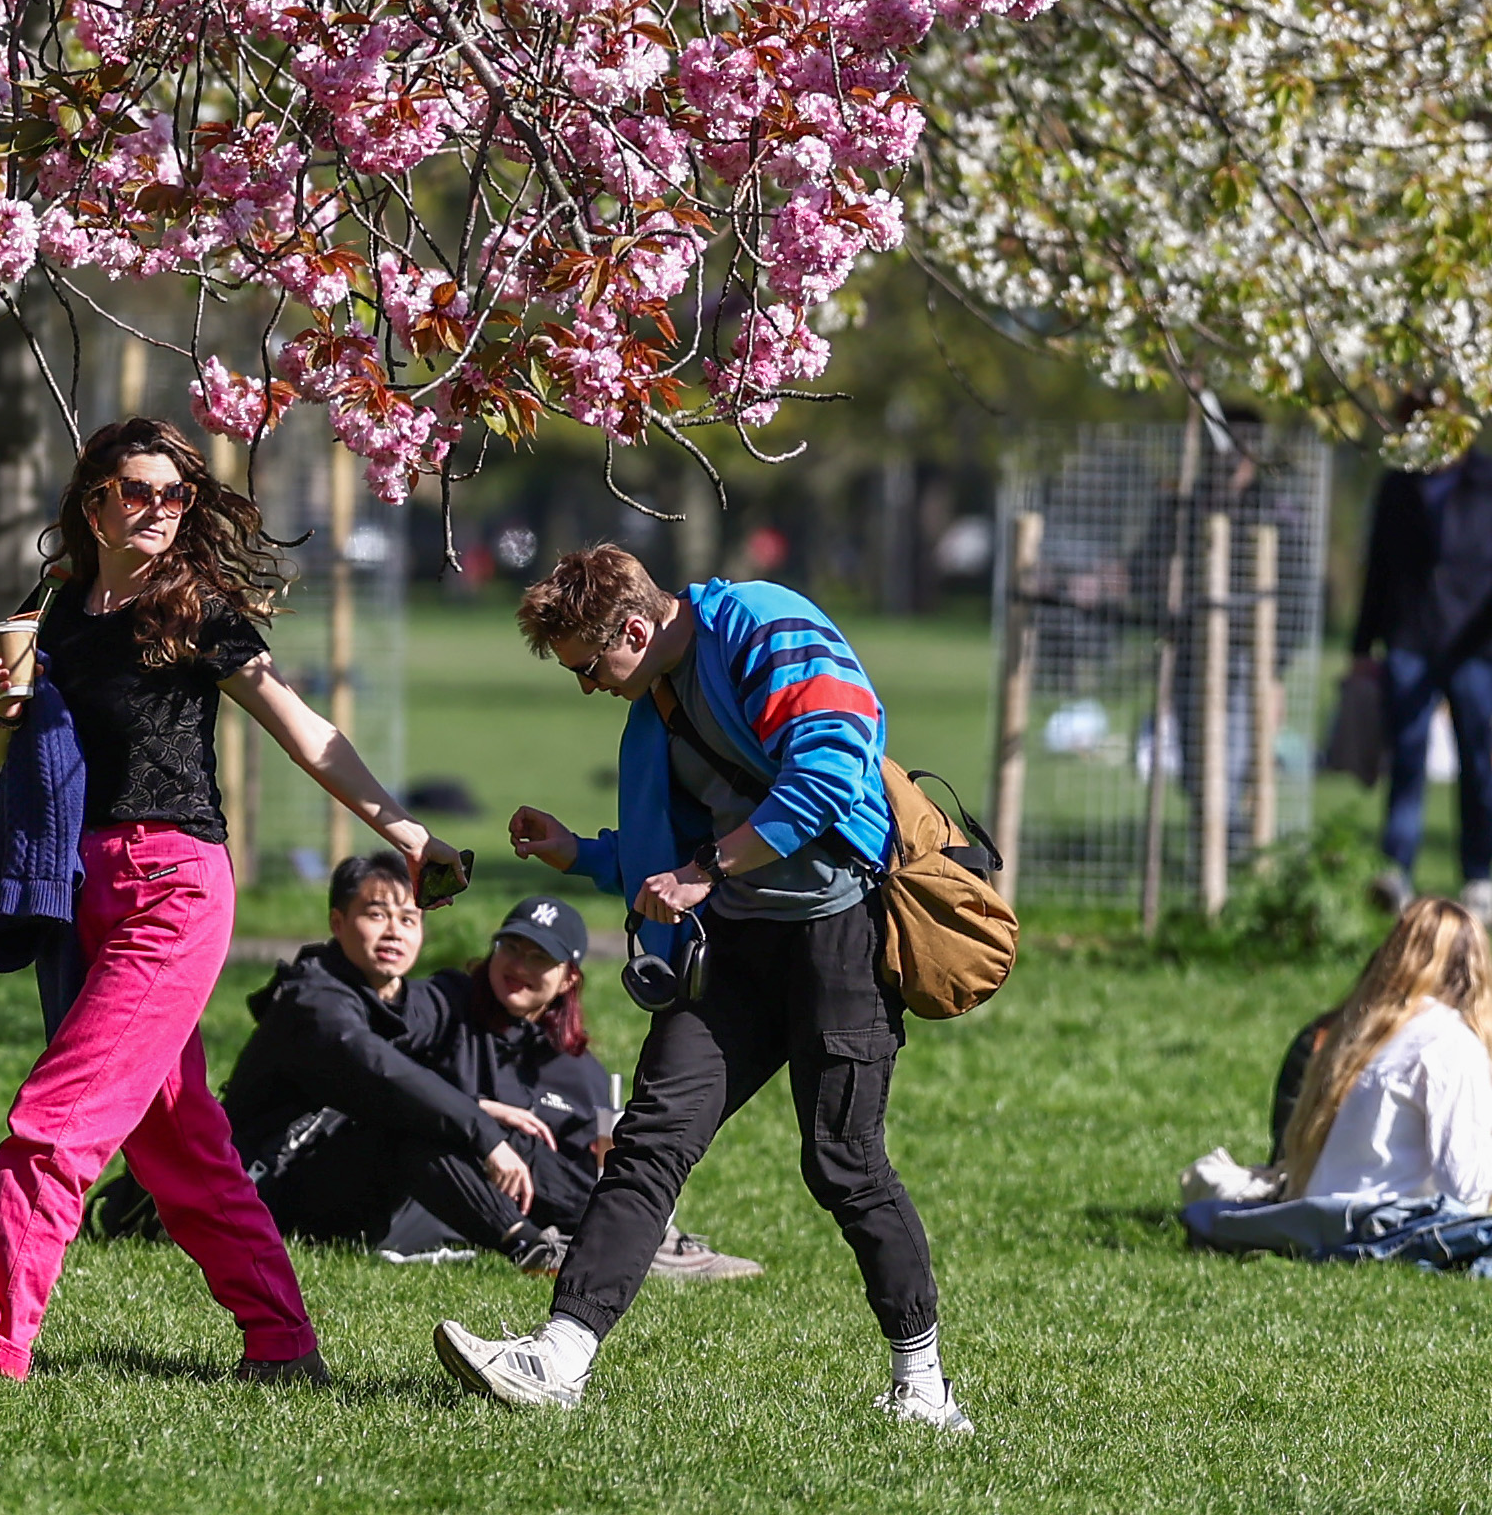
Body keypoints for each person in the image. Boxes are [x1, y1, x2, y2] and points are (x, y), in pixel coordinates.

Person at [0, 417, 472, 1386]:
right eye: (140, 490)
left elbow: (303, 728)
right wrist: (0, 709)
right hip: (85, 885)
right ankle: (283, 1344)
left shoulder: (199, 610)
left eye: (176, 494)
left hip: (173, 888)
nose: (160, 508)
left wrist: (407, 833)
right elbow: (4, 753)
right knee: (178, 1146)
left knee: (55, 1116)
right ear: (95, 501)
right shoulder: (58, 606)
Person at [434, 547, 948, 1426]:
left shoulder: (763, 623)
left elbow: (834, 766)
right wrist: (581, 853)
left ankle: (922, 1385)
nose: (590, 688)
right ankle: (561, 1356)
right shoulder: (655, 705)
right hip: (738, 944)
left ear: (635, 629)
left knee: (842, 1163)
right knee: (649, 1141)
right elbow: (666, 860)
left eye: (591, 667)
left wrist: (712, 868)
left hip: (840, 932)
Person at [197, 851, 568, 1272]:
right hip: (268, 1190)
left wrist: (480, 1110)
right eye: (377, 915)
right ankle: (529, 1246)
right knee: (413, 1127)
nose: (394, 931)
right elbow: (379, 1073)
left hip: (336, 1180)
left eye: (409, 919)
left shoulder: (393, 997)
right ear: (338, 923)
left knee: (479, 1121)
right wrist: (481, 1129)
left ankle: (600, 1226)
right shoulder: (314, 1002)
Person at [1181, 898, 1492, 1271]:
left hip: (1320, 1219)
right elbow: (1462, 1181)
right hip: (1384, 1225)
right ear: (1477, 971)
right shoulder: (1451, 1042)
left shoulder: (1364, 1034)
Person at [420, 893, 755, 1280]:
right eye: (510, 947)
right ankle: (640, 1237)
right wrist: (481, 1111)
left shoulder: (579, 1070)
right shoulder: (448, 1004)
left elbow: (594, 1169)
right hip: (432, 1184)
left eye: (539, 957)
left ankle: (641, 1234)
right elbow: (402, 1082)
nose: (518, 965)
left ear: (569, 977)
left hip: (537, 1205)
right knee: (506, 1133)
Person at [1347, 436, 1492, 923]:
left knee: (1479, 761)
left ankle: (1480, 877)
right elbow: (1378, 566)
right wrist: (1361, 646)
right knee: (1407, 756)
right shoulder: (1399, 485)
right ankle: (1396, 871)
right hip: (1409, 640)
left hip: (1474, 643)